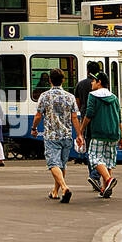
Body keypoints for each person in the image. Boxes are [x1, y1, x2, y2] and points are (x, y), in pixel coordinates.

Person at [32, 69, 83, 203]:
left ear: (50, 80)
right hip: (66, 135)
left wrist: (34, 128)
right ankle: (55, 191)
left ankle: (65, 188)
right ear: (63, 80)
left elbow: (38, 115)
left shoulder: (44, 96)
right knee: (62, 165)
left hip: (51, 135)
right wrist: (79, 134)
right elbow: (74, 117)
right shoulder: (70, 97)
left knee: (53, 164)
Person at [81, 71, 122, 197]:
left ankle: (108, 180)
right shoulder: (114, 97)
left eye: (94, 81)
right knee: (108, 161)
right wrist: (121, 136)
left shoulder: (93, 96)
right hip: (114, 133)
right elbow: (119, 117)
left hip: (98, 133)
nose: (91, 83)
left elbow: (89, 114)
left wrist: (81, 130)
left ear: (99, 82)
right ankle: (105, 189)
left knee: (94, 158)